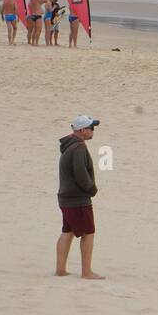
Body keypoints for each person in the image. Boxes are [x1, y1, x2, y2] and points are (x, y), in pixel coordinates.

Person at [56, 116, 104, 280]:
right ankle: (86, 272)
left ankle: (60, 270)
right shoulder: (78, 148)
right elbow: (81, 175)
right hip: (77, 199)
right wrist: (92, 189)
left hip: (66, 197)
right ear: (82, 130)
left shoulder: (70, 146)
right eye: (91, 128)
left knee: (67, 232)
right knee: (88, 232)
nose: (93, 131)